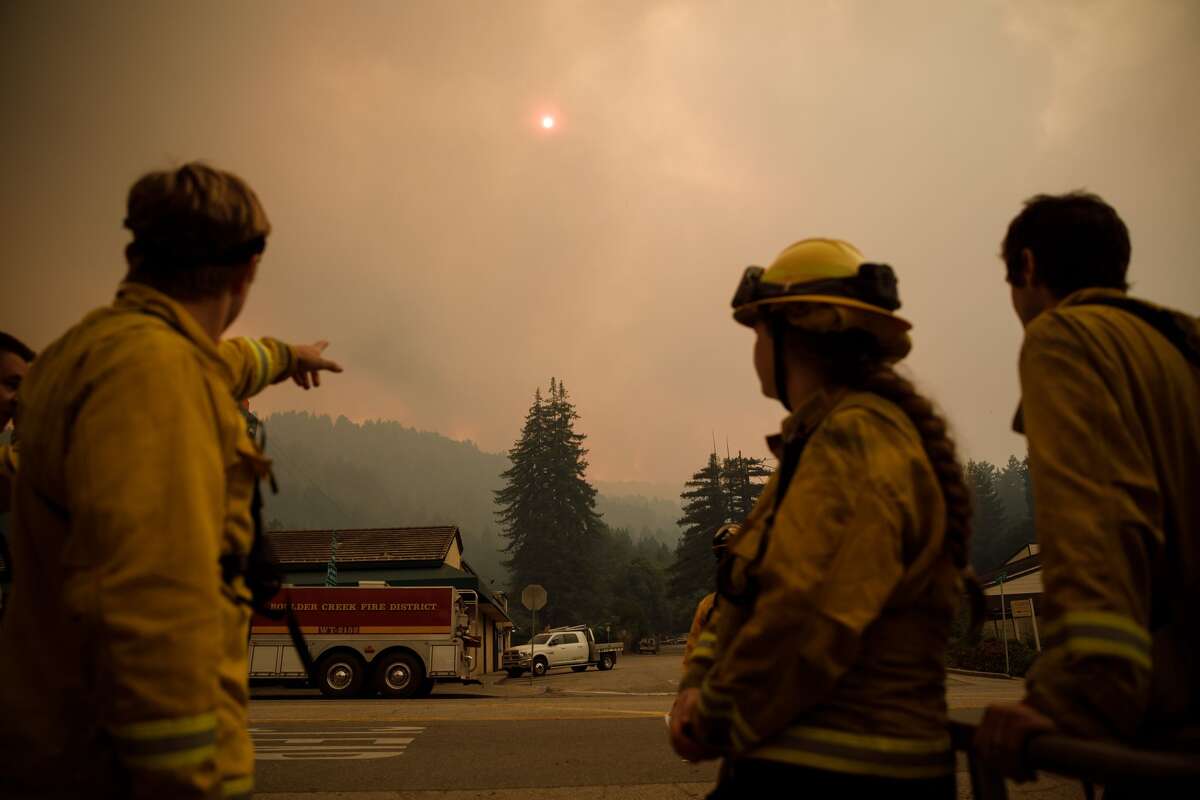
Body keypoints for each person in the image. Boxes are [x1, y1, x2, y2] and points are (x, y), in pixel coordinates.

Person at [0, 162, 343, 799]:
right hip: (116, 771)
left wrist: (284, 356)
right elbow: (151, 605)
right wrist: (187, 780)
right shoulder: (157, 378)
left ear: (134, 256)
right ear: (246, 273)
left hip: (51, 742)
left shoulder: (82, 353)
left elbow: (223, 361)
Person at [669, 238, 978, 798]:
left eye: (759, 331)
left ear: (794, 332)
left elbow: (807, 615)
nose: (755, 348)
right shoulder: (818, 444)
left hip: (833, 777)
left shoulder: (854, 440)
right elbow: (745, 598)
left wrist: (713, 711)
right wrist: (697, 682)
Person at [976, 192, 1199, 786]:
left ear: (1026, 268)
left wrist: (1072, 696)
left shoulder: (1066, 337)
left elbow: (1100, 521)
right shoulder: (1183, 342)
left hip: (1170, 722)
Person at [682, 523, 739, 668]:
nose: (730, 565)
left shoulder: (769, 602)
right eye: (724, 558)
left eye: (736, 558)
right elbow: (693, 664)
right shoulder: (708, 607)